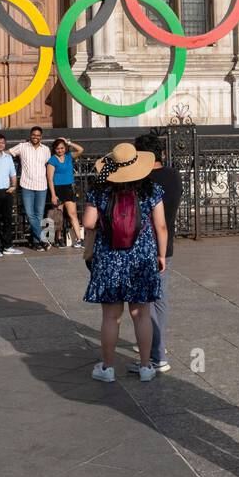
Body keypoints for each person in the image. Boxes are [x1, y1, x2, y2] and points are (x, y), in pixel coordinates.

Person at [82, 143, 169, 384]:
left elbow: (89, 223)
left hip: (109, 258)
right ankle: (145, 367)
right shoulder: (152, 190)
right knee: (141, 314)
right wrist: (161, 255)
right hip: (142, 257)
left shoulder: (99, 190)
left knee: (111, 316)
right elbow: (161, 226)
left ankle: (107, 368)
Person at [128, 134, 182, 375]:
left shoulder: (141, 180)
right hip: (166, 245)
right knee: (160, 299)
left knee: (143, 304)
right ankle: (158, 347)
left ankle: (156, 356)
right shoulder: (173, 176)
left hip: (142, 247)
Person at [10, 126, 52, 249]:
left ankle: (36, 242)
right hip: (26, 185)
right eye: (34, 134)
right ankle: (43, 239)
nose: (35, 137)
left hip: (42, 185)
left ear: (41, 137)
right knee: (29, 214)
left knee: (39, 215)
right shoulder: (22, 146)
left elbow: (49, 166)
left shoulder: (46, 149)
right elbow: (8, 153)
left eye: (38, 135)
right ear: (30, 135)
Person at [46, 137, 85, 248]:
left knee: (73, 214)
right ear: (54, 149)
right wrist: (53, 195)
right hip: (57, 189)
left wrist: (69, 142)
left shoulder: (68, 157)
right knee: (58, 216)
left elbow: (81, 150)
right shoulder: (52, 160)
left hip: (68, 188)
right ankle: (58, 238)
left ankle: (79, 239)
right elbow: (50, 179)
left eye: (62, 148)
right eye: (58, 148)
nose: (60, 150)